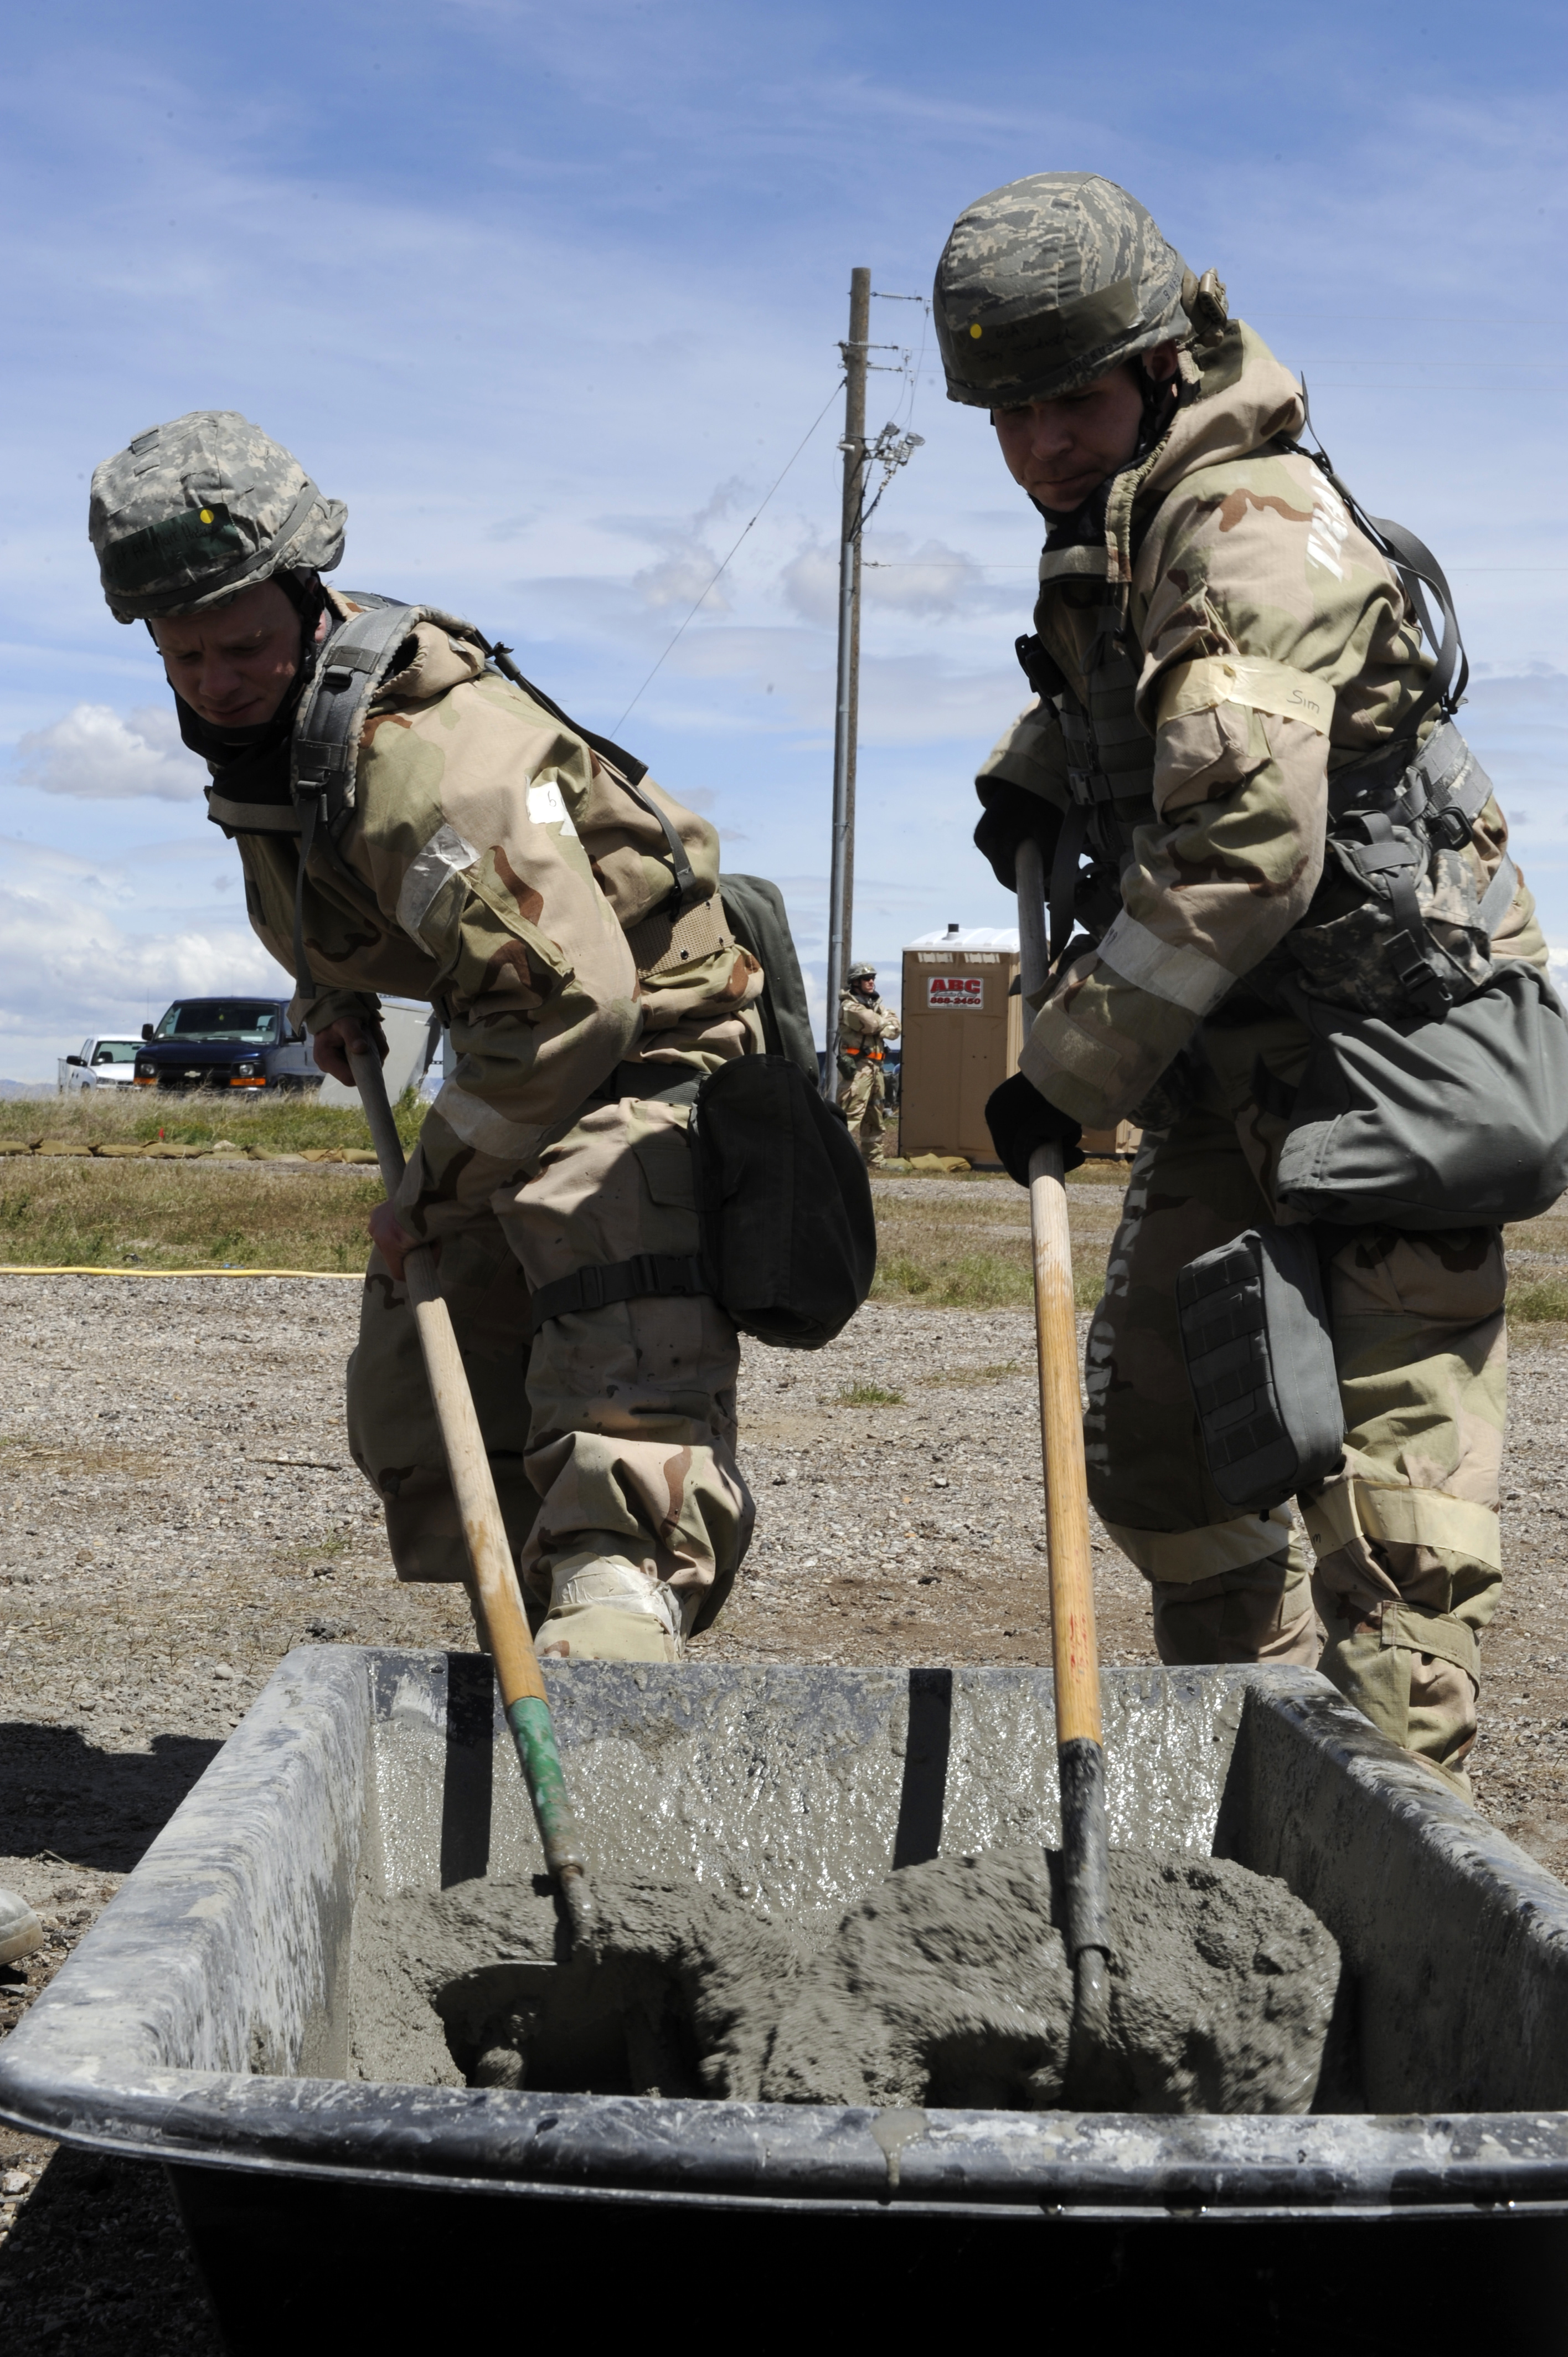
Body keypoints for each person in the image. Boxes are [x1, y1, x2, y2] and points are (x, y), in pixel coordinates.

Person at [936, 172, 1546, 1795]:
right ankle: (1243, 1766)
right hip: (1232, 1050)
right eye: (1004, 414)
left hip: (1392, 1052)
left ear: (1153, 363)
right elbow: (1168, 727)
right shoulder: (1118, 529)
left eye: (1067, 400)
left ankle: (1390, 1874)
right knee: (1161, 1455)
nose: (1039, 445)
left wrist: (1056, 1069)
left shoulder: (1239, 523)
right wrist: (1040, 764)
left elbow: (1244, 849)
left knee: (1389, 1533)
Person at [88, 411, 762, 1663]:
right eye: (182, 658)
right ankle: (524, 1658)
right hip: (518, 1030)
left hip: (648, 1034)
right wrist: (328, 996)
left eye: (241, 647)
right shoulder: (271, 740)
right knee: (427, 1377)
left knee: (600, 1264)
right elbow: (340, 903)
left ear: (307, 597)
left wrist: (439, 1179)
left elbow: (578, 1002)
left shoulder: (435, 760)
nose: (214, 681)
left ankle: (615, 1615)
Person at [837, 961, 901, 1167]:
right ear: (855, 982)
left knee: (875, 1116)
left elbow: (896, 1030)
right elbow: (872, 1024)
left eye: (873, 978)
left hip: (876, 1068)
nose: (871, 981)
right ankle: (833, 1160)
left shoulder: (876, 1006)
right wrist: (883, 1020)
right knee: (850, 1115)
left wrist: (879, 1020)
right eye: (866, 979)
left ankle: (874, 1161)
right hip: (858, 1068)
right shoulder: (849, 1006)